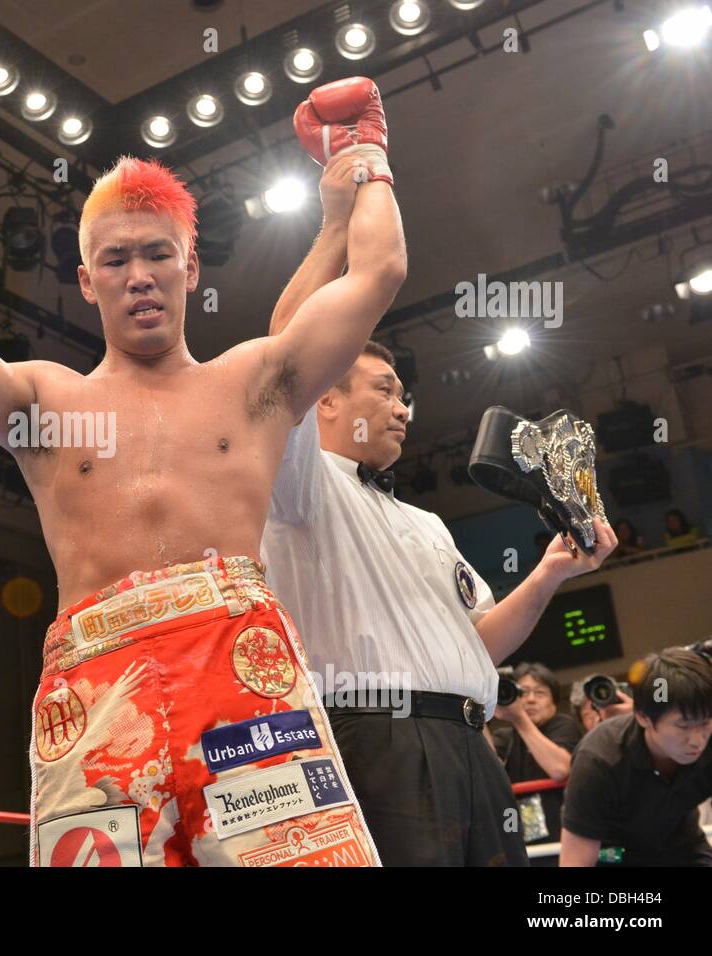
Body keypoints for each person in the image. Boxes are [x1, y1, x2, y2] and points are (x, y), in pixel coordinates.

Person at [0, 79, 407, 866]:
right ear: (88, 282)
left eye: (157, 254)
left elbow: (379, 272)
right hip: (95, 685)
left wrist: (365, 158)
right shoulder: (47, 402)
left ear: (191, 266)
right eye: (115, 259)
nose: (138, 275)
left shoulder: (254, 384)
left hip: (240, 667)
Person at [260, 181, 617, 866]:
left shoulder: (425, 522)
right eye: (385, 391)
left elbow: (480, 645)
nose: (403, 409)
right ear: (325, 399)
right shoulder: (298, 483)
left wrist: (550, 573)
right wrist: (335, 227)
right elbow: (285, 354)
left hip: (471, 742)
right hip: (377, 741)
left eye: (406, 396)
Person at [560, 648, 712, 866]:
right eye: (683, 726)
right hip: (615, 856)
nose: (697, 740)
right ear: (643, 717)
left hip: (683, 849)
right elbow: (575, 862)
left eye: (705, 722)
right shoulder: (598, 760)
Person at [488, 663, 582, 860]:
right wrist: (478, 711)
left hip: (564, 843)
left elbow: (559, 769)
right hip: (523, 845)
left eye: (539, 693)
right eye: (523, 692)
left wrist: (520, 719)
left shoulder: (563, 724)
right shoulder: (505, 736)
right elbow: (487, 772)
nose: (530, 700)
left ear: (554, 702)